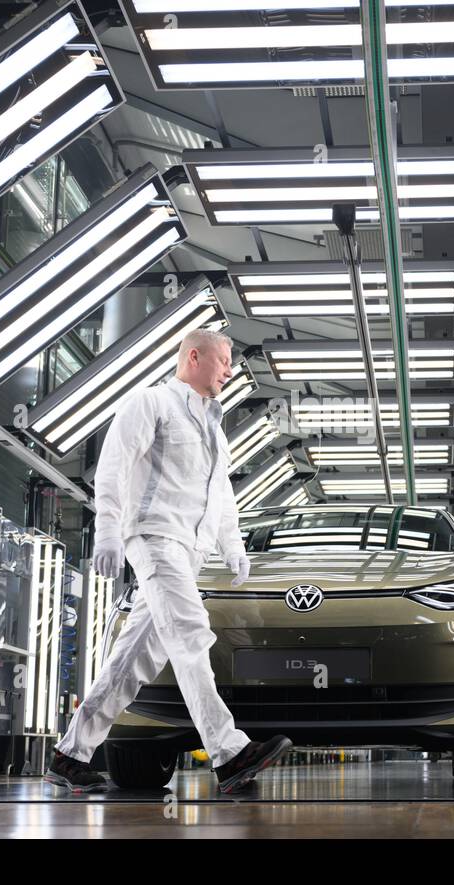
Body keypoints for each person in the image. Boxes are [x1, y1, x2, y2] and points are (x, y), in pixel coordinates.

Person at [46, 328, 291, 794]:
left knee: (132, 661)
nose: (229, 369)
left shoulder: (216, 430)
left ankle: (68, 755)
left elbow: (222, 497)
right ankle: (230, 752)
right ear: (193, 357)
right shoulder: (151, 403)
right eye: (224, 359)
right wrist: (108, 533)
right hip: (155, 539)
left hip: (190, 551)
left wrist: (233, 546)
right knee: (191, 634)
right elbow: (115, 467)